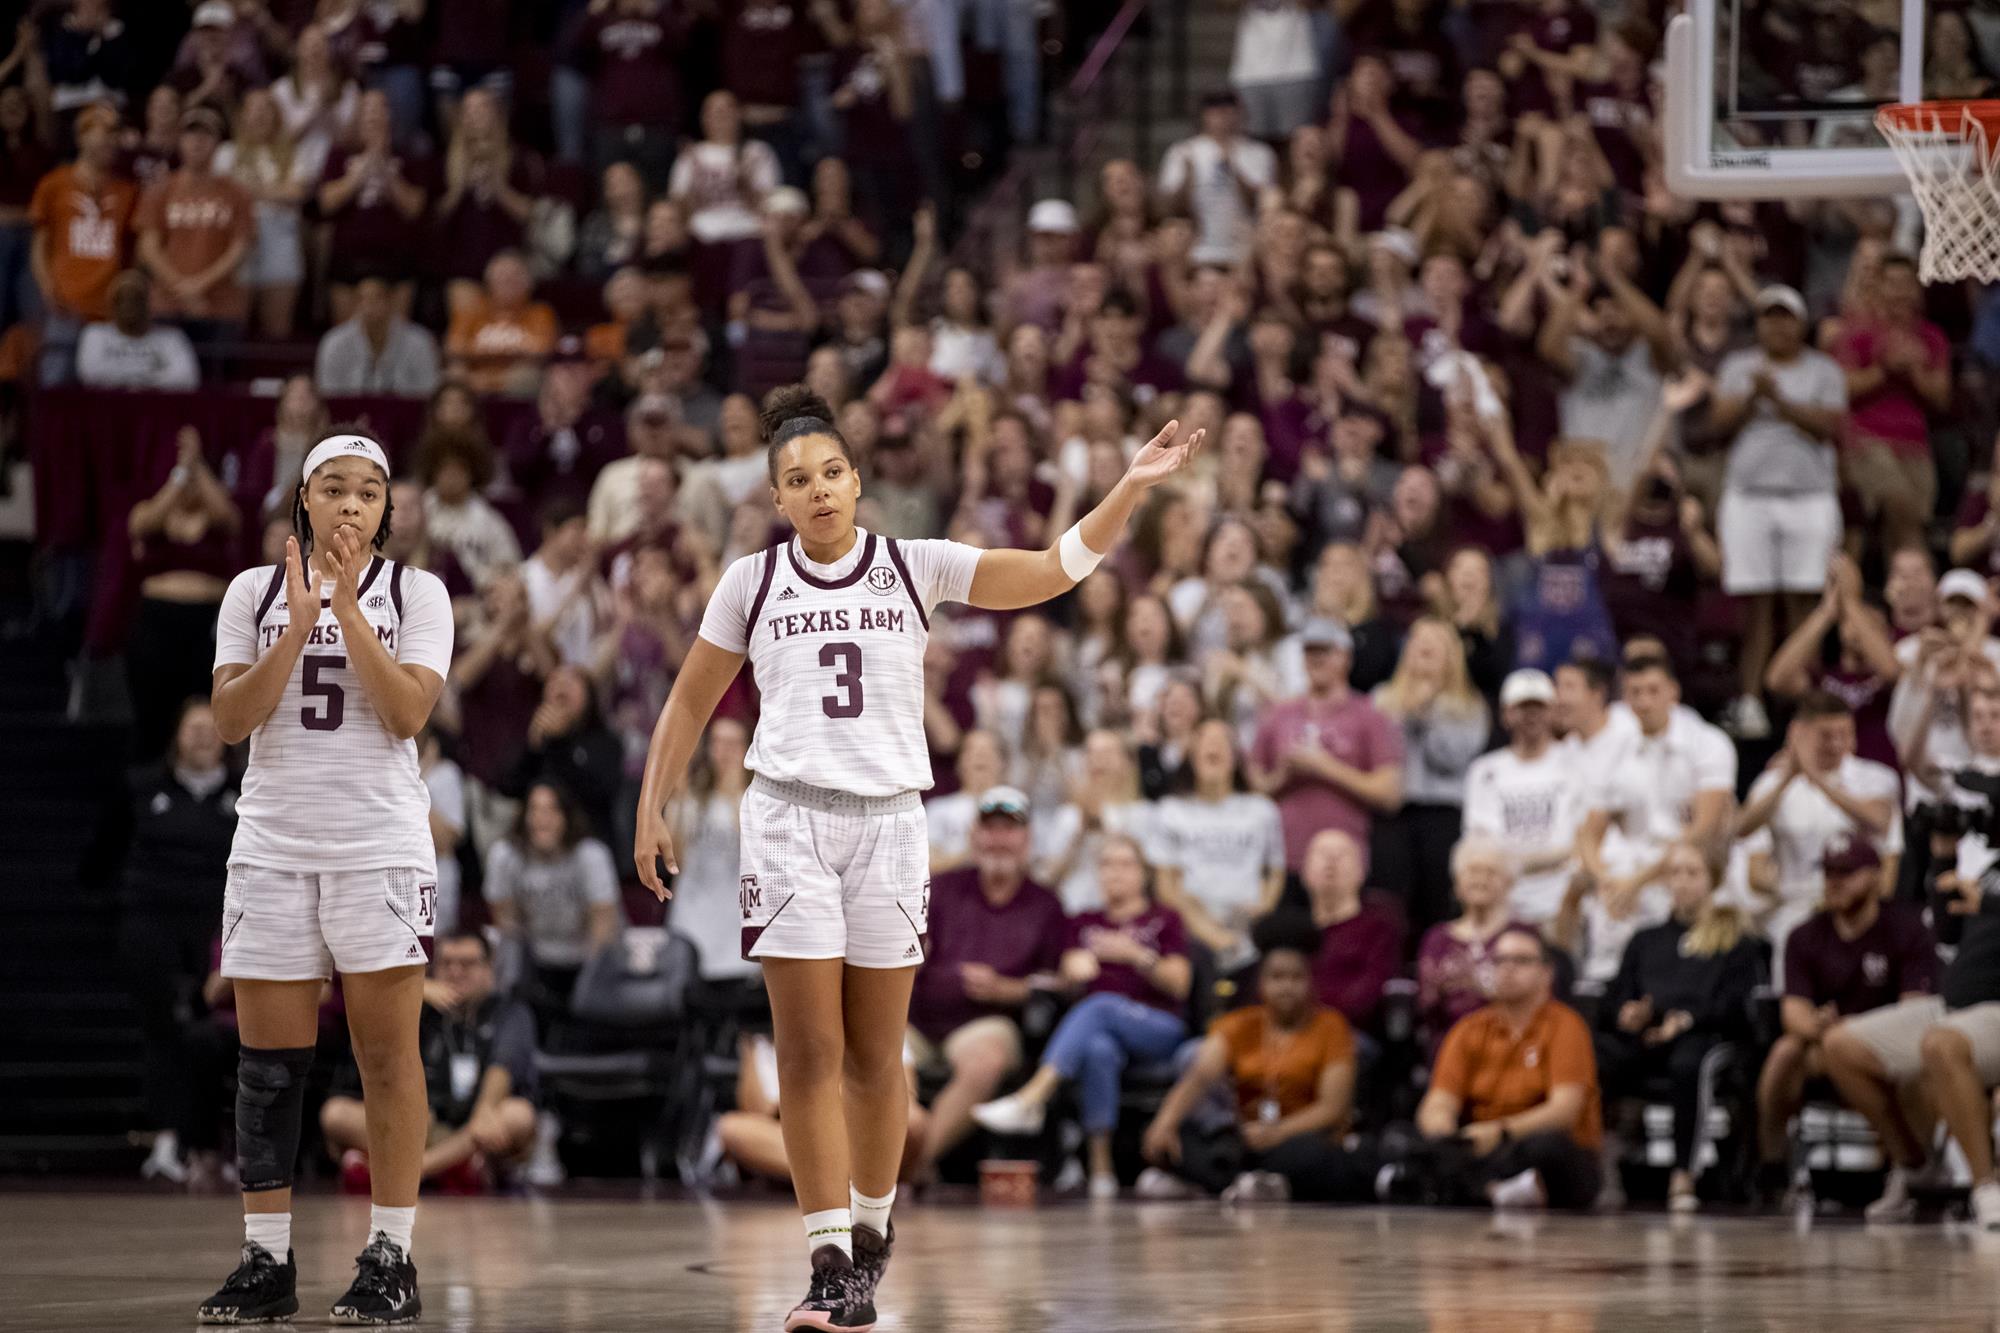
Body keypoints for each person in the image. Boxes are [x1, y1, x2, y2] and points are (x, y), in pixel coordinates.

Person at [630, 386, 1205, 1328]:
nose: (818, 490)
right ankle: (829, 1264)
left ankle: (870, 1228)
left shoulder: (915, 564)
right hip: (787, 820)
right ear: (777, 498)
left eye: (830, 473)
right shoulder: (750, 581)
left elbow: (1053, 569)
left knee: (876, 1056)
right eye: (797, 480)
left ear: (857, 481)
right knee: (807, 1053)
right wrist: (652, 804)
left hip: (893, 824)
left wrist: (1129, 488)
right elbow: (690, 701)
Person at [201, 433, 454, 1324]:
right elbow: (229, 719)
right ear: (304, 499)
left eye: (369, 491)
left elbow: (408, 710)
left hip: (378, 846)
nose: (352, 503)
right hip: (272, 844)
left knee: (386, 1057)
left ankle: (391, 1254)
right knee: (268, 1066)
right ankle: (266, 1257)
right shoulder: (253, 591)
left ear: (387, 511)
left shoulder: (417, 593)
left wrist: (344, 610)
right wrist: (301, 619)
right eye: (335, 488)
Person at [971, 835, 1192, 1197]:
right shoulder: (1083, 922)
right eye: (1106, 864)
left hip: (1158, 1026)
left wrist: (1136, 954)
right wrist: (1070, 973)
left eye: (1125, 864)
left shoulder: (1164, 919)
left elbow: (1180, 984)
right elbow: (1066, 980)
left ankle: (1033, 1097)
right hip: (1097, 1029)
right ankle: (1101, 1169)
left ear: (1143, 873)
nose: (1115, 873)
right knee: (1098, 1049)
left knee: (1102, 1005)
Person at [1139, 913, 1371, 1202]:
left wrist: (1279, 1132)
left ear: (1310, 981)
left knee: (1314, 1156)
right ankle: (1247, 1182)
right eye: (1277, 977)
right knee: (1182, 1136)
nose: (1286, 987)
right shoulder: (1241, 1023)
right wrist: (1166, 1121)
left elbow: (1333, 1108)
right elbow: (1199, 1076)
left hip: (1299, 1135)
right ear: (1261, 982)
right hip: (1247, 1136)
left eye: (1296, 977)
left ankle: (1222, 1181)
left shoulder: (1331, 1027)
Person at [1756, 835, 1936, 1201]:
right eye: (1828, 872)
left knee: (1913, 1066)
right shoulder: (1805, 935)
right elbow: (1794, 1014)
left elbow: (1914, 1010)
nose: (1834, 882)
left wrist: (1852, 1033)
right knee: (1786, 1052)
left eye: (1846, 873)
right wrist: (1819, 1025)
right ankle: (1771, 1166)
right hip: (1826, 1046)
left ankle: (1908, 1165)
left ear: (1875, 876)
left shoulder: (1907, 928)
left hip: (1887, 1048)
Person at [907, 787, 1069, 1180]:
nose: (999, 840)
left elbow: (1058, 981)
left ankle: (907, 1166)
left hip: (985, 1021)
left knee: (986, 1060)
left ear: (1027, 839)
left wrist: (1009, 989)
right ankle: (898, 1149)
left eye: (1009, 830)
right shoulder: (942, 888)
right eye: (990, 829)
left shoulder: (1045, 904)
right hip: (917, 1017)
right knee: (883, 1053)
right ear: (973, 836)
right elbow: (909, 946)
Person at [1594, 842, 1764, 1212]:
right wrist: (1627, 1012)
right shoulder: (1646, 939)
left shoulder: (1736, 939)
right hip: (1650, 1034)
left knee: (1689, 1064)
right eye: (1674, 873)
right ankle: (1599, 1163)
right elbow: (1616, 996)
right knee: (1598, 1055)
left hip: (1706, 1034)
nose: (1682, 882)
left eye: (1692, 873)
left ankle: (1684, 1172)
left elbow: (1737, 1006)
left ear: (1712, 879)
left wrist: (1686, 1020)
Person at [1711, 284, 1849, 740]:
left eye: (1785, 317)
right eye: (1768, 317)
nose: (1776, 326)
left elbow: (1830, 426)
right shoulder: (1739, 367)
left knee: (1805, 602)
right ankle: (1751, 702)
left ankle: (1806, 705)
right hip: (1749, 497)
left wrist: (1780, 400)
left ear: (1801, 323)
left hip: (1810, 497)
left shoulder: (1823, 370)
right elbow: (1718, 422)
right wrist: (1753, 396)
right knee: (1755, 604)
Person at [114, 701, 238, 1186]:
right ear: (176, 737)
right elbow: (107, 851)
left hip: (219, 932)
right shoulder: (144, 787)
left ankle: (214, 1144)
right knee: (163, 1031)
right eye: (194, 728)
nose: (203, 736)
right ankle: (167, 1137)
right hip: (155, 928)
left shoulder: (244, 791)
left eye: (211, 728)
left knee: (216, 1034)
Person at [321, 932, 539, 1191]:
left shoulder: (509, 1011)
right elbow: (366, 1015)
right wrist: (411, 992)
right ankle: (458, 1168)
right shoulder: (417, 1005)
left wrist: (486, 1109)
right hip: (416, 1124)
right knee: (336, 1114)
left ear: (488, 968)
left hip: (471, 1126)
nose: (455, 972)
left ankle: (415, 1168)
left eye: (467, 964)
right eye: (447, 964)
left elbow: (503, 1065)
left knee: (518, 1115)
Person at [1568, 655, 1736, 987]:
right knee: (1591, 891)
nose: (1644, 702)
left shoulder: (1708, 743)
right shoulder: (1616, 751)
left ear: (1673, 692)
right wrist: (1606, 880)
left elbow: (1704, 832)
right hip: (1630, 876)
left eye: (1653, 691)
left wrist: (1635, 883)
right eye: (1635, 692)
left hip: (1687, 870)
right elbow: (1589, 832)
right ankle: (1603, 987)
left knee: (1680, 877)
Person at [1408, 927, 1604, 1211]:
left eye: (1521, 961)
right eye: (1499, 961)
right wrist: (1447, 1136)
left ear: (1546, 973)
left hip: (1528, 1144)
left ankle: (1468, 1189)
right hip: (1482, 1149)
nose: (1508, 969)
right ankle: (1493, 1191)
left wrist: (1500, 1132)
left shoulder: (1566, 1025)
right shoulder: (1469, 1028)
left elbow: (1564, 1110)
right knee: (1403, 1140)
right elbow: (1439, 1100)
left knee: (1548, 1147)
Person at [1735, 691, 1902, 966]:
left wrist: (1817, 778)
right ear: (1798, 733)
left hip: (1858, 906)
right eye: (1826, 735)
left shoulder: (1876, 777)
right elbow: (1741, 829)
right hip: (1795, 905)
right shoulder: (1771, 784)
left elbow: (1879, 821)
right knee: (1791, 934)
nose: (1836, 744)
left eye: (1844, 734)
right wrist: (1788, 777)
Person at [1248, 617, 1405, 875]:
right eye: (1309, 651)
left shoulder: (1369, 715)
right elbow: (1254, 786)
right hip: (1283, 858)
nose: (1315, 658)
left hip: (1344, 859)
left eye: (1325, 650)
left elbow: (1390, 793)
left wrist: (1324, 766)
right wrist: (1282, 774)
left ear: (1346, 657)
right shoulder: (1279, 714)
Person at [124, 426, 240, 761]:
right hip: (157, 621)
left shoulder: (217, 515)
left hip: (208, 623)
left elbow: (226, 516)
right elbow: (146, 523)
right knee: (153, 707)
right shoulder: (149, 508)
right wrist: (180, 472)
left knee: (207, 703)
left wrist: (196, 464)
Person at [1369, 617, 1492, 935]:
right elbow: (1377, 754)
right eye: (1417, 640)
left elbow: (1451, 759)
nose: (1424, 647)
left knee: (1437, 900)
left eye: (1434, 642)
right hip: (1392, 815)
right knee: (1390, 902)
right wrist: (1406, 709)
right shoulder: (1381, 699)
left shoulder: (1469, 705)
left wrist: (1425, 712)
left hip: (1442, 814)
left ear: (1451, 655)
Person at [1152, 719, 1287, 972]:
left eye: (1223, 741)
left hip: (1248, 929)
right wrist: (1206, 930)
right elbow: (1165, 885)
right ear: (1192, 757)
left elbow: (1275, 872)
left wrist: (1264, 907)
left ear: (1235, 757)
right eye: (1204, 740)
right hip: (1192, 932)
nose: (1213, 745)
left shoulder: (1262, 810)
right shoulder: (1170, 811)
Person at [718, 1031, 931, 1186]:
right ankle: (852, 1182)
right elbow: (757, 1112)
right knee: (732, 1128)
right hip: (798, 1136)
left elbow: (903, 1097)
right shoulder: (763, 1039)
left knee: (912, 1120)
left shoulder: (877, 1021)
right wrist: (748, 1046)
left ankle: (831, 1184)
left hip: (861, 1132)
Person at [30, 102, 138, 386]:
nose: (110, 141)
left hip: (109, 308)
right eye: (103, 132)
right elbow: (40, 243)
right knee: (54, 383)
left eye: (114, 134)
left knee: (103, 390)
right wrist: (46, 286)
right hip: (65, 303)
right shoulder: (54, 184)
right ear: (81, 137)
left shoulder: (127, 190)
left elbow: (132, 251)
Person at [1463, 669, 1581, 925]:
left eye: (1539, 707)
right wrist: (1544, 857)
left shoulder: (1575, 762)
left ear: (1552, 712)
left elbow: (1579, 842)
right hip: (1505, 903)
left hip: (1561, 900)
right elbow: (1480, 843)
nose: (1531, 715)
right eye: (1522, 708)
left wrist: (1517, 860)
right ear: (1505, 714)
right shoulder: (1484, 771)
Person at [135, 105, 253, 346]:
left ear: (218, 143)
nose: (197, 141)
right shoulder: (161, 189)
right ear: (180, 140)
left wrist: (200, 285)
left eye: (206, 134)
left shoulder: (237, 193)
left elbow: (240, 247)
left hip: (221, 305)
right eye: (190, 134)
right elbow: (148, 247)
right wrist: (182, 287)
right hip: (166, 303)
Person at [1415, 836, 1536, 1050]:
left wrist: (1478, 984)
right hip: (1448, 1044)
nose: (1480, 880)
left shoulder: (1523, 935)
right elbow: (1425, 1003)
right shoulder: (1438, 937)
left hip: (1510, 1043)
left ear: (1509, 882)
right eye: (1472, 871)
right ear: (1457, 882)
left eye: (1491, 872)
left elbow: (1533, 996)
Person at [1300, 828, 1404, 1033]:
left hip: (1350, 1031)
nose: (1331, 862)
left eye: (1341, 855)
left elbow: (1370, 992)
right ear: (1304, 871)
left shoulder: (1379, 927)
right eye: (1322, 854)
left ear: (1362, 871)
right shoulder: (1290, 930)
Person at [314, 273, 441, 396]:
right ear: (355, 304)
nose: (369, 307)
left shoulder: (419, 342)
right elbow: (329, 395)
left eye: (377, 299)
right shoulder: (334, 343)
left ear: (390, 302)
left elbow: (428, 393)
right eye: (363, 300)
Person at [76, 266, 198, 389]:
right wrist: (149, 379)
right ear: (112, 304)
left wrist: (130, 381)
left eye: (137, 299)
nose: (128, 306)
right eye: (122, 300)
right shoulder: (95, 334)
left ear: (148, 303)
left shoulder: (172, 338)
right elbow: (90, 374)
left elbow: (185, 378)